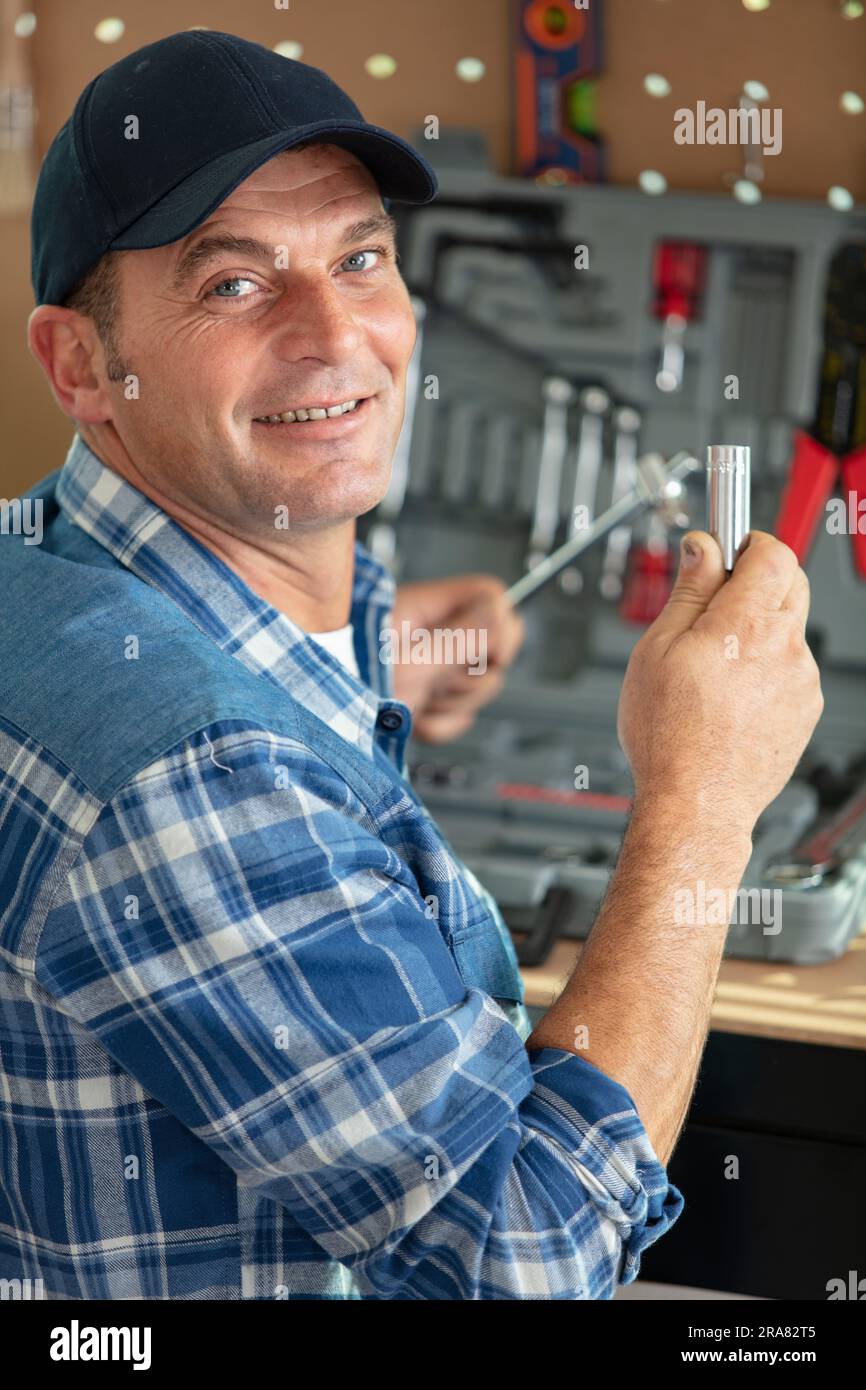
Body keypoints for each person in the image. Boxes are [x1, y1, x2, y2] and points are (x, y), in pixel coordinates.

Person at [0, 30, 822, 1301]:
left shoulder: (29, 565)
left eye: (360, 257)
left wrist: (378, 638)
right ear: (80, 364)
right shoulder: (196, 777)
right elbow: (520, 1258)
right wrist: (701, 810)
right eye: (232, 284)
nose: (335, 333)